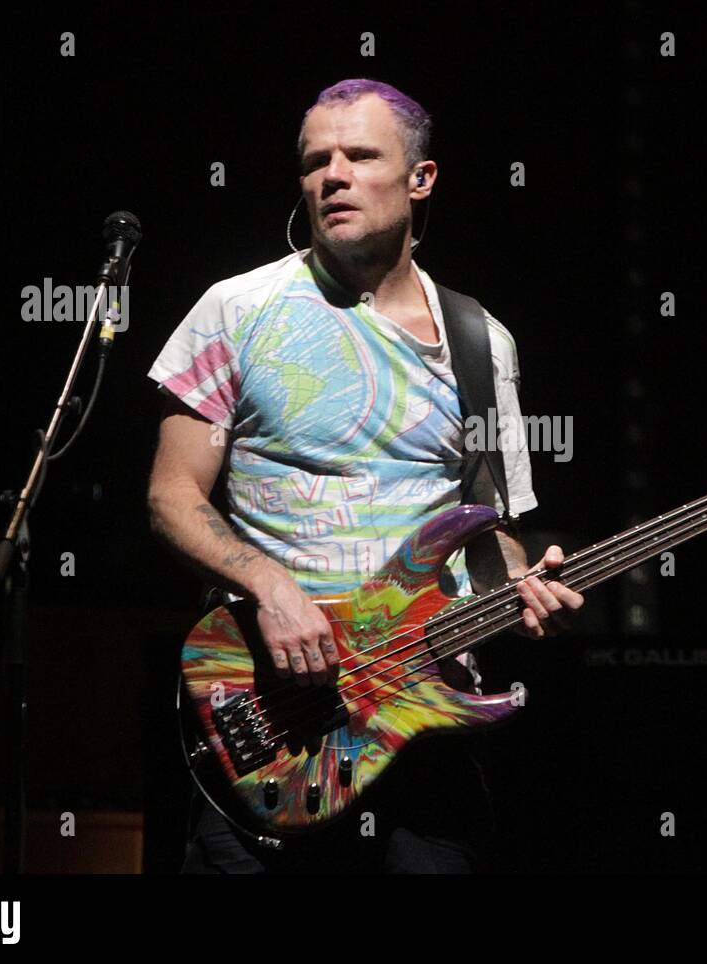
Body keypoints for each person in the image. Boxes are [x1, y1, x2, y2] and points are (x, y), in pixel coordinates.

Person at [145, 78, 583, 873]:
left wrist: (526, 591)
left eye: (360, 155)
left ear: (421, 179)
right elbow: (171, 497)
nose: (332, 175)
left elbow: (493, 538)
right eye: (316, 161)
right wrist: (273, 587)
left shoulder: (483, 343)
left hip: (425, 712)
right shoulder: (234, 309)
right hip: (273, 709)